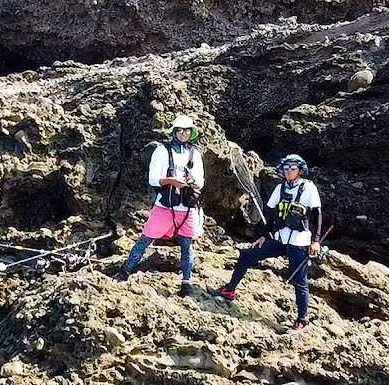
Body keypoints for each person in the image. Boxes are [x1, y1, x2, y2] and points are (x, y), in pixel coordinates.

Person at [210, 153, 323, 331]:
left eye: (293, 168)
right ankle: (229, 290)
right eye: (286, 168)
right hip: (279, 239)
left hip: (300, 242)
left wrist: (315, 241)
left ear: (300, 170)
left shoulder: (308, 188)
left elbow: (317, 215)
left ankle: (302, 319)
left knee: (300, 280)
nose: (289, 171)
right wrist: (263, 235)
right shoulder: (280, 189)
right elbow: (270, 214)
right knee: (247, 255)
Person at [114, 115, 205, 296]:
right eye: (180, 130)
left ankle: (186, 282)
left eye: (187, 130)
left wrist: (194, 183)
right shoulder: (162, 151)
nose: (184, 134)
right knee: (146, 238)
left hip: (187, 208)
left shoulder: (195, 153)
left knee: (187, 245)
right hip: (165, 206)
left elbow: (201, 180)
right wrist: (170, 181)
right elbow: (153, 179)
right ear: (174, 132)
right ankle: (125, 271)